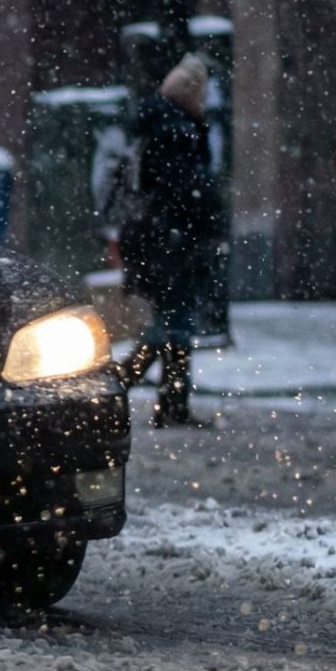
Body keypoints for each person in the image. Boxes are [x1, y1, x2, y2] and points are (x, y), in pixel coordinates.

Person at [116, 54, 225, 428]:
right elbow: (184, 189)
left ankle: (161, 399)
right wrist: (201, 222)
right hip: (173, 240)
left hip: (162, 238)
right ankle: (121, 390)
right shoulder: (176, 131)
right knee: (174, 322)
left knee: (171, 321)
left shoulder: (162, 126)